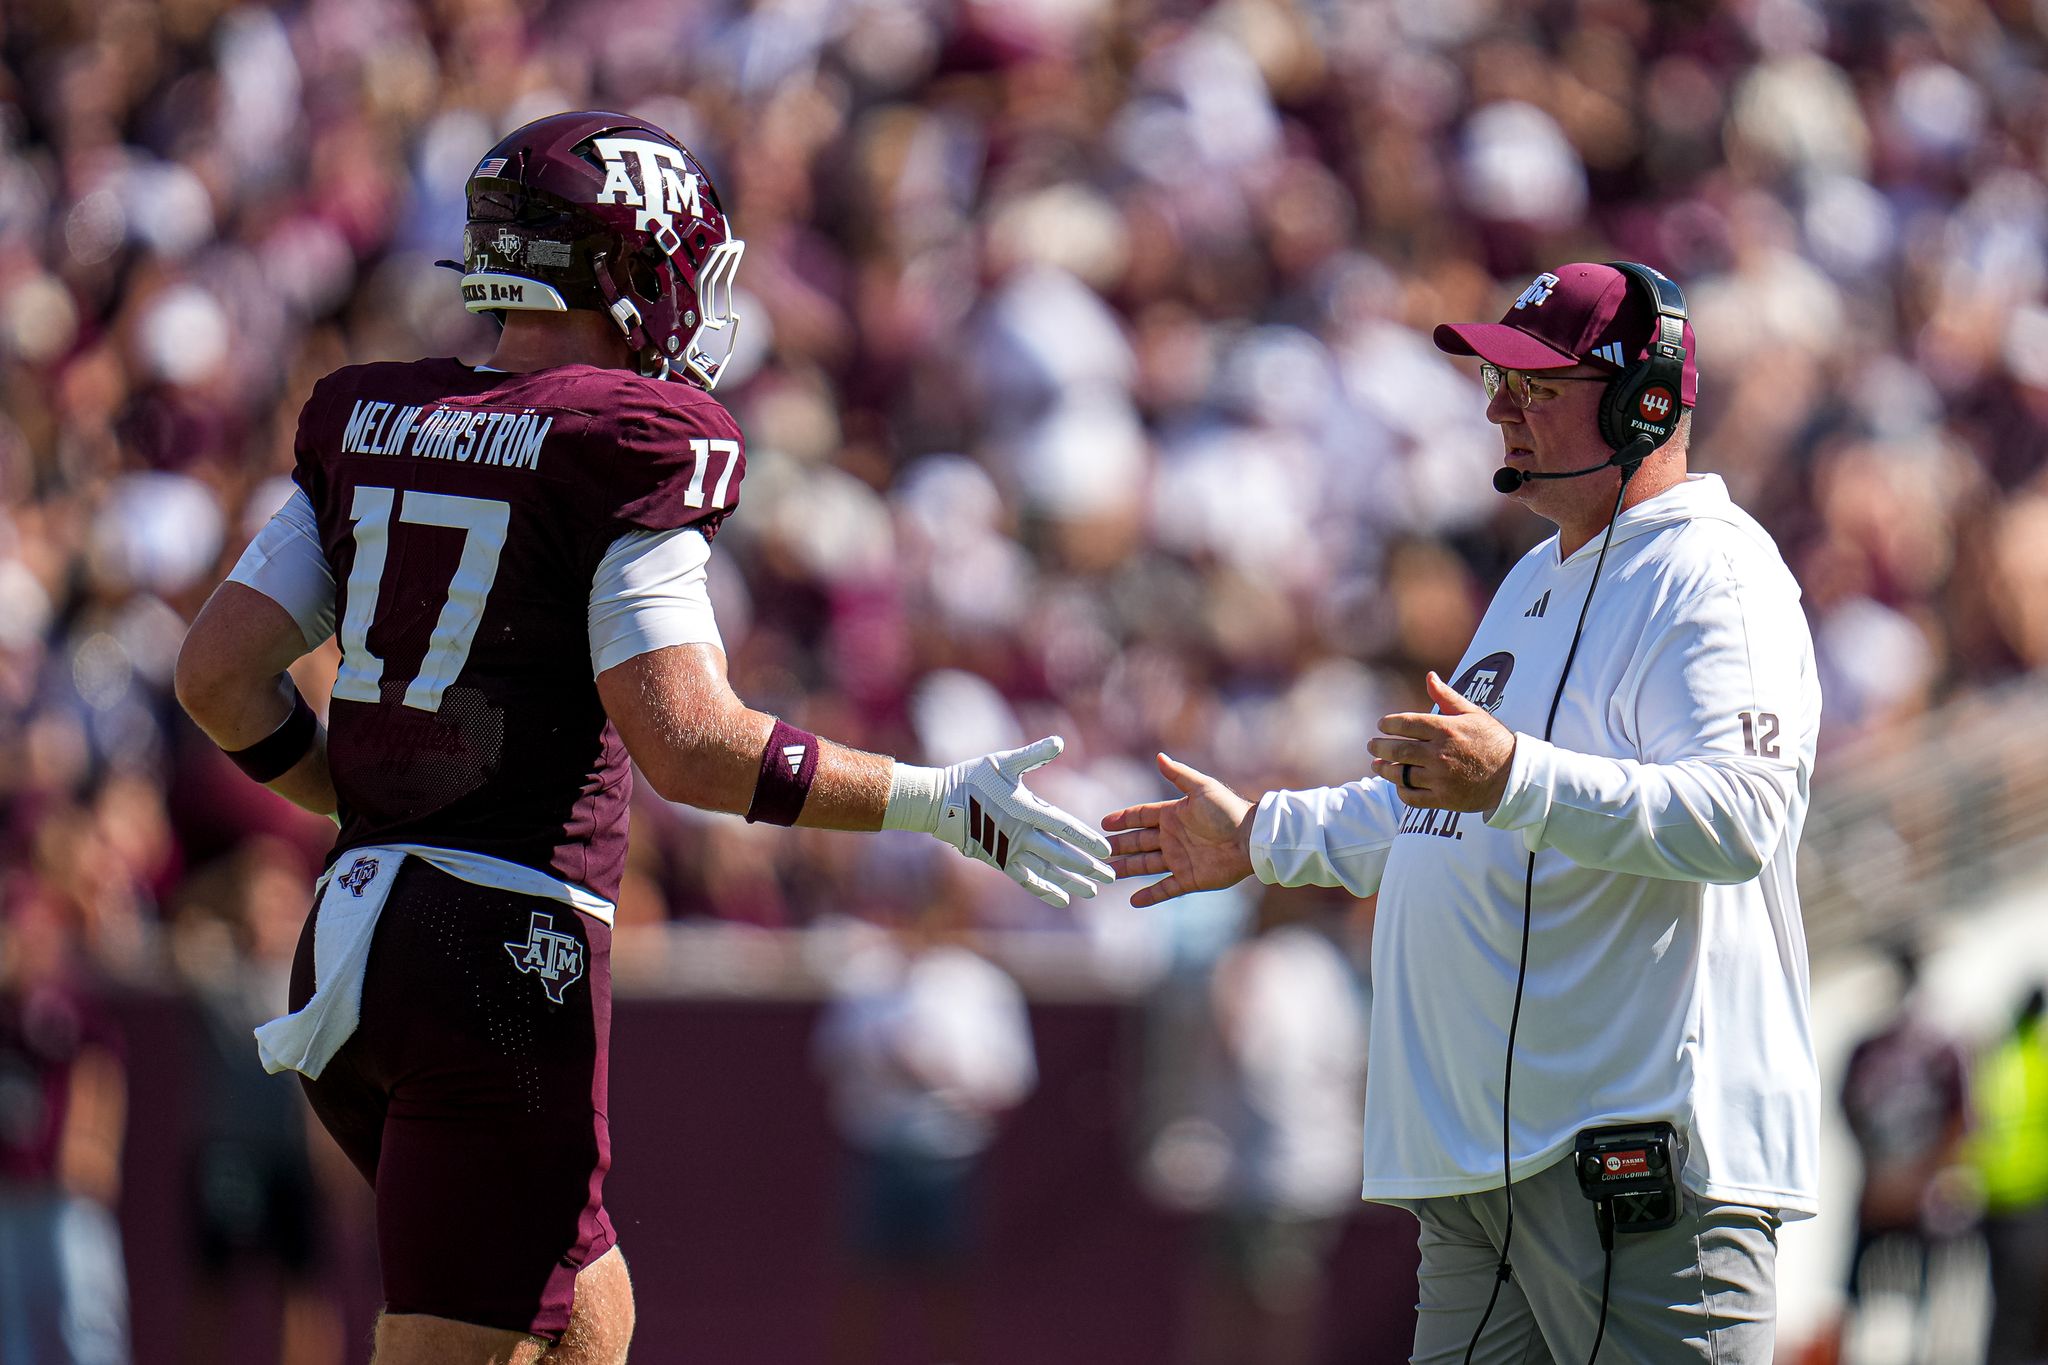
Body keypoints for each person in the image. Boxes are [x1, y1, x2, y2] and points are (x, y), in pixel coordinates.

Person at [172, 110, 1113, 1365]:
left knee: (588, 1329)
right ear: (621, 270)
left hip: (352, 940)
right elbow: (687, 743)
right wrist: (933, 799)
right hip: (501, 959)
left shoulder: (367, 413)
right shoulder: (630, 439)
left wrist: (357, 806)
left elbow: (221, 675)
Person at [1105, 262, 1822, 1362]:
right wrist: (1259, 838)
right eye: (1498, 382)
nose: (1498, 408)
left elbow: (1735, 821)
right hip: (1485, 1163)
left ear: (1644, 399)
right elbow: (1441, 806)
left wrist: (1513, 778)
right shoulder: (1532, 578)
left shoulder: (1713, 576)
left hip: (1634, 1156)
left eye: (1536, 386)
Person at [812, 873, 1036, 1365]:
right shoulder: (865, 977)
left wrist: (942, 1069)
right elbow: (828, 1056)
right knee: (862, 1286)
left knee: (949, 1289)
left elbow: (1010, 1078)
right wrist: (881, 1054)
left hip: (952, 1160)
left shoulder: (984, 986)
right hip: (875, 1152)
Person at [1836, 942, 1973, 1362]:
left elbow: (1959, 1120)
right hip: (1880, 1194)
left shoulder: (1942, 1050)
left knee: (1928, 1302)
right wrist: (1882, 1173)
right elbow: (1848, 1109)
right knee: (1856, 1297)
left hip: (1921, 1199)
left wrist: (1920, 1177)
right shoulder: (1868, 1049)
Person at [1970, 984, 2048, 1365]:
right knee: (2014, 1298)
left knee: (2015, 1297)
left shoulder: (2009, 1055)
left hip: (2018, 1198)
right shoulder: (2016, 1056)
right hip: (2011, 1199)